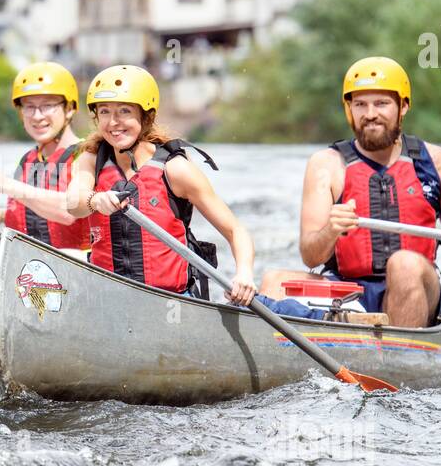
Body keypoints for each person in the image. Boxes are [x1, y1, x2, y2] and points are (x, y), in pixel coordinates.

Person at [63, 64, 322, 317]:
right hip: (109, 300)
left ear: (146, 116)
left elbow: (235, 230)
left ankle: (312, 317)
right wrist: (95, 200)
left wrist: (244, 273)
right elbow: (74, 202)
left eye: (124, 112)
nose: (113, 122)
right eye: (105, 112)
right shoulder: (91, 160)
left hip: (171, 304)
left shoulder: (175, 169)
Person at [258, 56, 441, 327]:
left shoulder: (436, 160)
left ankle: (401, 358)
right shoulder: (325, 165)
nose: (370, 113)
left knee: (404, 264)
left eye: (381, 103)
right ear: (349, 109)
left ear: (403, 106)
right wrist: (331, 230)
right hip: (350, 290)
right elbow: (311, 256)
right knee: (273, 282)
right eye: (360, 104)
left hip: (419, 287)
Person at [0, 62, 90, 317]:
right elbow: (34, 206)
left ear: (69, 110)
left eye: (47, 106)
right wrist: (1, 215)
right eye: (29, 107)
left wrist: (7, 185)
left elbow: (70, 211)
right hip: (32, 266)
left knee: (66, 256)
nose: (37, 116)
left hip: (80, 267)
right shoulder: (29, 160)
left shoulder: (86, 155)